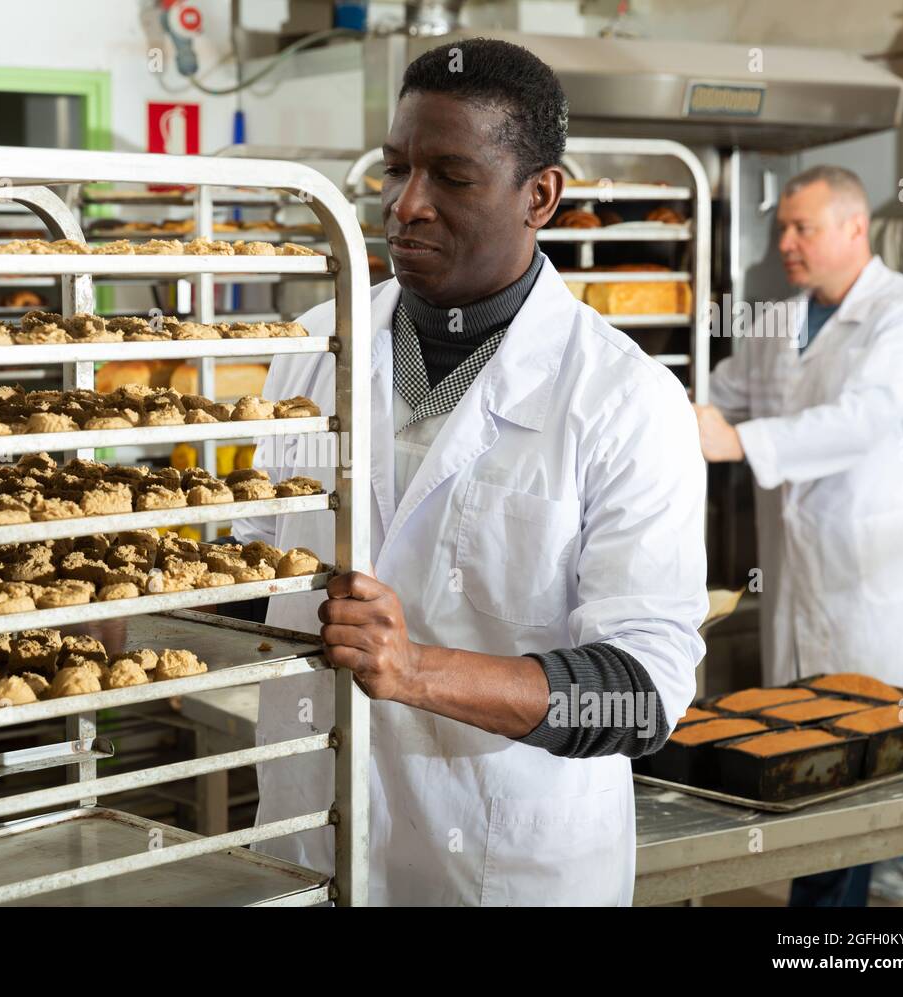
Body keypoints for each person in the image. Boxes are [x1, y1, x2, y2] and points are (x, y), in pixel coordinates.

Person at [231, 37, 707, 906]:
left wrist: (417, 670)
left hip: (502, 869)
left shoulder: (624, 401)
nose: (406, 205)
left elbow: (642, 700)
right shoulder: (310, 348)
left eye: (451, 176)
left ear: (542, 196)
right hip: (311, 845)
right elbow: (254, 575)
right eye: (395, 168)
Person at [694, 165, 903, 906]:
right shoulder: (785, 317)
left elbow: (866, 421)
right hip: (801, 579)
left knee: (886, 780)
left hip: (878, 583)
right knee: (819, 770)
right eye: (781, 228)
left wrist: (738, 443)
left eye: (801, 227)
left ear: (854, 228)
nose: (785, 242)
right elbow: (728, 390)